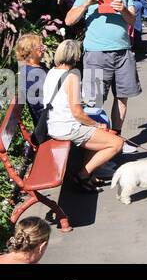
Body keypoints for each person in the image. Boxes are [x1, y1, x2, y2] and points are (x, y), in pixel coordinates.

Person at [64, 0, 139, 136]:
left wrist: (123, 10)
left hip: (123, 51)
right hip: (96, 53)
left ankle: (116, 137)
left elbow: (132, 20)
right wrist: (87, 3)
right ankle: (97, 142)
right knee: (94, 101)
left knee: (122, 97)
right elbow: (69, 20)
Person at [40, 40, 125, 193]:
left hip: (54, 125)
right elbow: (77, 113)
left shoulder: (52, 72)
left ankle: (89, 173)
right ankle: (83, 175)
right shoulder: (71, 77)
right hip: (68, 128)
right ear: (76, 57)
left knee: (97, 133)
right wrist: (97, 125)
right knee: (117, 143)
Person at [15, 33, 46, 122]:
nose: (43, 47)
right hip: (46, 122)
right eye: (40, 45)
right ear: (30, 50)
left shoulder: (40, 66)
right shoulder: (30, 74)